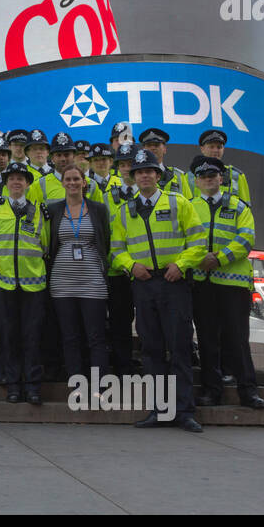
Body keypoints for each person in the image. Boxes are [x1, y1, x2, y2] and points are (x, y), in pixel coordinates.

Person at [111, 148, 207, 431]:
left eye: (149, 171)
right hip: (142, 283)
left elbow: (198, 240)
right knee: (151, 349)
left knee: (179, 347)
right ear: (133, 176)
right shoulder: (124, 211)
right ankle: (158, 410)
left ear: (158, 175)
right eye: (139, 172)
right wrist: (130, 266)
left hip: (173, 281)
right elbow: (116, 249)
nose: (144, 176)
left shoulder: (178, 203)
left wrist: (182, 264)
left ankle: (185, 412)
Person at [187, 155, 264, 410]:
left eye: (213, 176)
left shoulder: (240, 207)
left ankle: (248, 392)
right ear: (196, 181)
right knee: (208, 339)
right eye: (203, 177)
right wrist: (200, 259)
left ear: (221, 179)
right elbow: (183, 239)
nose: (208, 180)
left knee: (238, 339)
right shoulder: (189, 207)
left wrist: (218, 259)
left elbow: (246, 239)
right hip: (202, 283)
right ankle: (212, 391)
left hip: (233, 285)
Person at [0, 162, 48, 404]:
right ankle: (13, 385)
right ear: (6, 183)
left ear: (27, 184)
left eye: (21, 179)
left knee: (32, 337)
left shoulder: (39, 213)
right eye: (12, 179)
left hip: (33, 286)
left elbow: (45, 245)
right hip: (4, 284)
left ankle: (33, 386)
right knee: (8, 336)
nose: (16, 182)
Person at [47, 166, 111, 382]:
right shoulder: (53, 209)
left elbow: (106, 241)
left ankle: (100, 383)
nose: (72, 183)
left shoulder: (98, 209)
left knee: (96, 337)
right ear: (62, 183)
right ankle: (77, 382)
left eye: (76, 179)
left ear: (84, 182)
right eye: (68, 179)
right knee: (70, 336)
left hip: (92, 282)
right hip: (62, 283)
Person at [103, 143, 141, 376]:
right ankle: (123, 365)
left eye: (131, 164)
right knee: (120, 321)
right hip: (118, 271)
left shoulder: (149, 194)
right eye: (123, 164)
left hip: (147, 270)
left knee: (149, 322)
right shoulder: (107, 197)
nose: (126, 169)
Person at [193, 129, 250, 204]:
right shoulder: (190, 176)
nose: (216, 150)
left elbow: (245, 207)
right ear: (202, 149)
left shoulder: (236, 176)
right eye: (211, 147)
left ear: (223, 149)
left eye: (219, 147)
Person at [137, 128, 189, 196]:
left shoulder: (179, 176)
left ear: (164, 149)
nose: (153, 148)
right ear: (143, 150)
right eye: (149, 145)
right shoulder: (136, 175)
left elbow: (188, 202)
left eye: (156, 145)